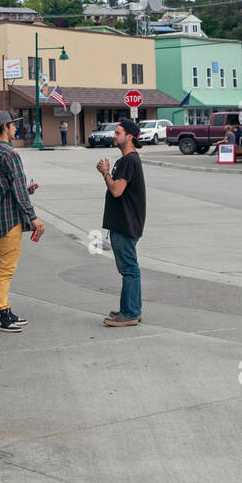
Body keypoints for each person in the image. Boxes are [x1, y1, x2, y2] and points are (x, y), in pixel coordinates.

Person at [0, 110, 45, 333]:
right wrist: (34, 218)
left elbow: (6, 188)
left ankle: (5, 309)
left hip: (0, 214)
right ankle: (0, 313)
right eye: (13, 125)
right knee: (6, 268)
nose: (16, 128)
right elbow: (17, 190)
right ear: (5, 127)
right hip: (11, 219)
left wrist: (26, 190)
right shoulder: (10, 155)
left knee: (6, 265)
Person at [99, 118, 147, 327]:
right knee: (130, 268)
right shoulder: (128, 160)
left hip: (126, 223)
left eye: (118, 133)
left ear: (129, 137)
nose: (114, 136)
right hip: (126, 222)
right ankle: (132, 309)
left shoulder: (129, 160)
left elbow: (117, 190)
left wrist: (105, 173)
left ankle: (129, 313)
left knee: (129, 269)